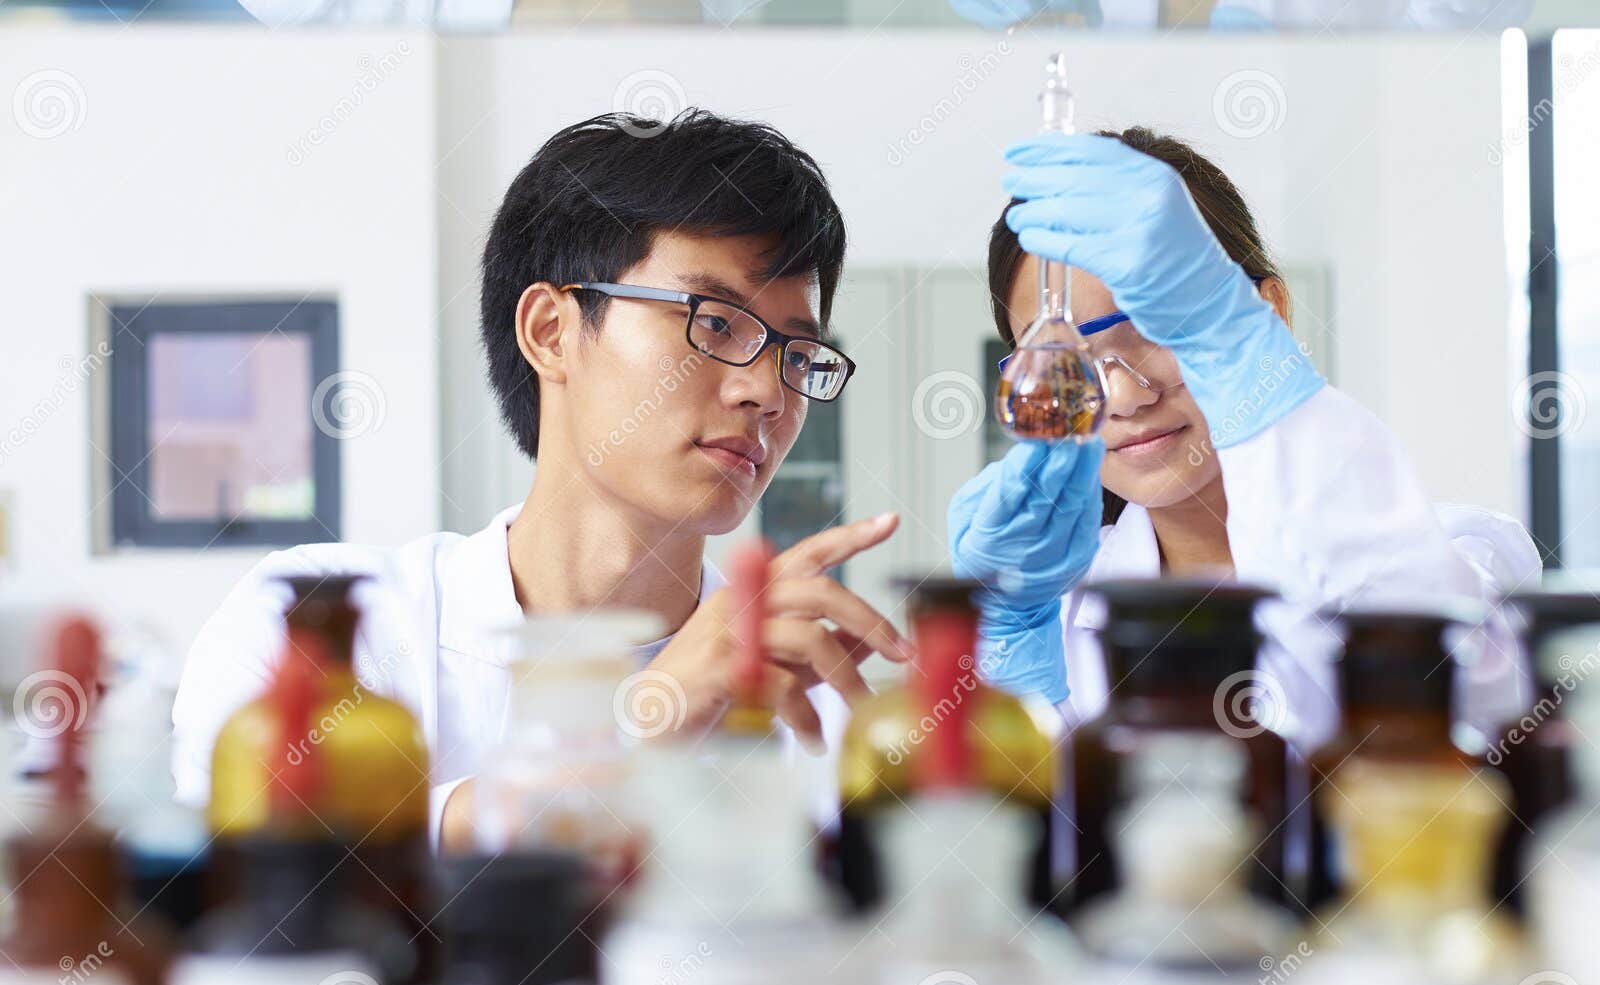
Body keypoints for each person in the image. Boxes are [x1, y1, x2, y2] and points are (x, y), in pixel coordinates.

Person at [173, 110, 914, 848]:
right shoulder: (326, 627)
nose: (769, 392)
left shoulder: (806, 698)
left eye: (795, 353)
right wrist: (643, 724)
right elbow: (249, 883)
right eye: (716, 323)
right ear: (551, 332)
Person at [950, 126, 1540, 749]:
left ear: (1267, 312)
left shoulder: (1465, 553)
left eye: (1156, 326)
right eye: (1066, 357)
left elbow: (1450, 709)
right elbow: (1016, 833)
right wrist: (1009, 663)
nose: (1126, 396)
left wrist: (1255, 366)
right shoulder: (1055, 613)